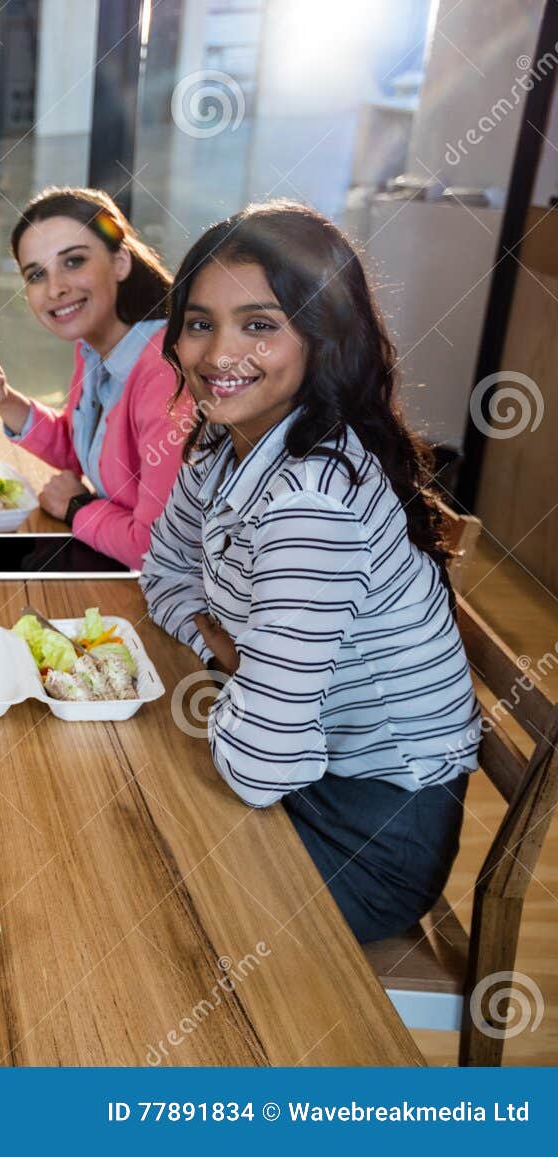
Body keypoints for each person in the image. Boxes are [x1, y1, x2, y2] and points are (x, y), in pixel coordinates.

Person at [140, 201, 479, 943]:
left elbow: (262, 764)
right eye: (200, 322)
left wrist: (252, 683)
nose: (219, 353)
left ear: (320, 337)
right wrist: (227, 655)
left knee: (139, 903)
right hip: (306, 772)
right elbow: (161, 575)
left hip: (368, 833)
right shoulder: (226, 445)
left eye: (260, 324)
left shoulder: (312, 504)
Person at [0, 187, 190, 571]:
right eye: (36, 274)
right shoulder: (96, 347)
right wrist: (3, 399)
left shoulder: (164, 372)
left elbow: (156, 547)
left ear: (120, 262)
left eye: (74, 261)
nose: (55, 288)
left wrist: (78, 507)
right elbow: (89, 449)